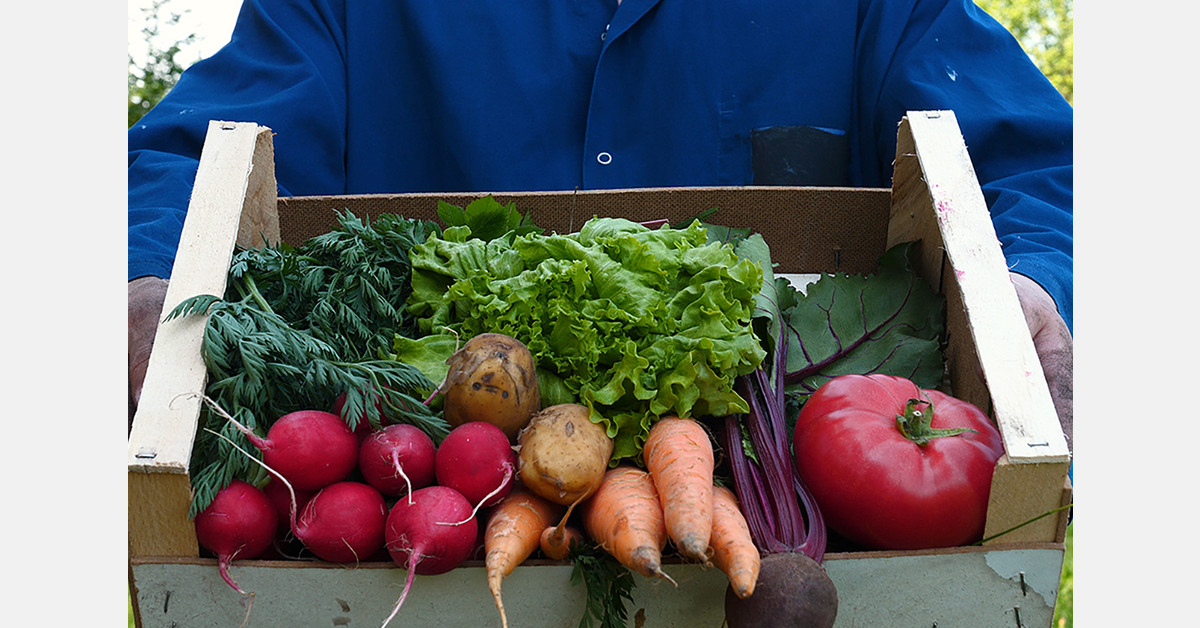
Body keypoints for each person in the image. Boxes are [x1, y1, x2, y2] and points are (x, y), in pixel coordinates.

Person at [128, 0, 1073, 450]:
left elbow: (1044, 173)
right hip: (418, 510)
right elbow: (191, 158)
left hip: (791, 520)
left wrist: (1034, 285)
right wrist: (144, 281)